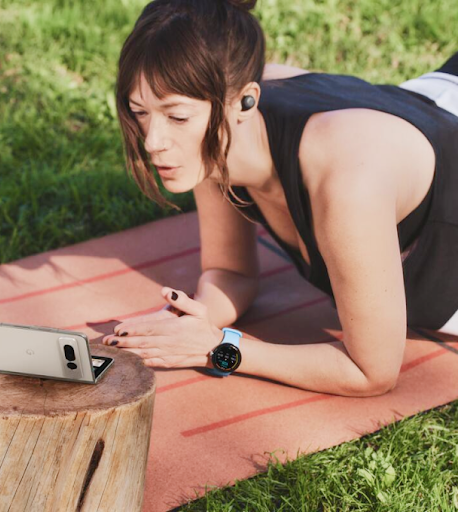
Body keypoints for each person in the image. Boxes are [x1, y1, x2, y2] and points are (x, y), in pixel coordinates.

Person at [102, 0, 458, 397]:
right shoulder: (220, 117)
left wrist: (218, 348)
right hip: (435, 105)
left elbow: (371, 372)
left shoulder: (348, 183)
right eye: (140, 111)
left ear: (245, 101)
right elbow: (231, 272)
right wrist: (180, 322)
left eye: (177, 118)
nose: (153, 141)